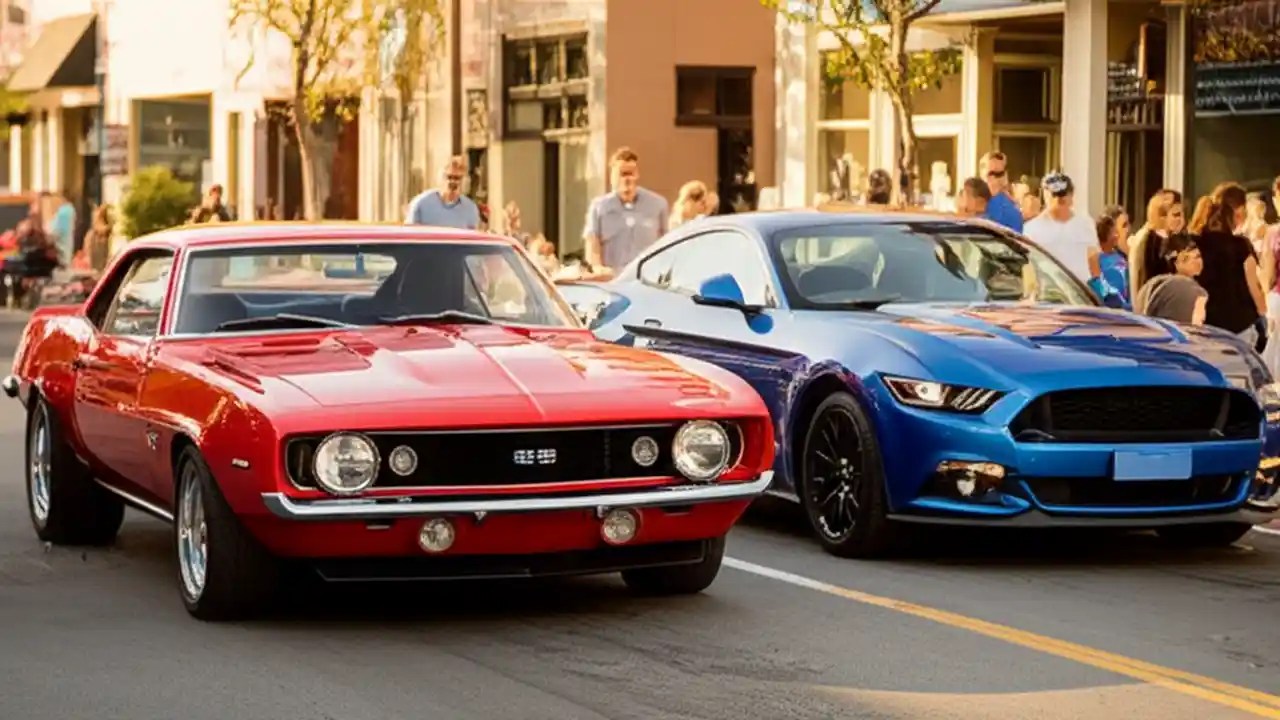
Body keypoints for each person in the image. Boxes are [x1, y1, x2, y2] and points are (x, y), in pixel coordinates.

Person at [1188, 181, 1267, 346]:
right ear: (1238, 211)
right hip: (1239, 324)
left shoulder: (1193, 242)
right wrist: (1264, 316)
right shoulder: (1240, 245)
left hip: (1204, 323)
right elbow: (1253, 286)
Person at [578, 146, 668, 280]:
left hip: (647, 281)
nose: (627, 179)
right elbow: (592, 246)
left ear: (637, 174)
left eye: (630, 173)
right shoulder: (599, 207)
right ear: (612, 176)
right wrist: (598, 272)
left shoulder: (657, 204)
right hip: (612, 281)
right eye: (622, 174)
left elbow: (665, 242)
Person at [1022, 171, 1096, 283]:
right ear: (1045, 195)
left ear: (1072, 195)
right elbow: (1028, 268)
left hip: (1081, 292)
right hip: (1049, 292)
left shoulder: (1086, 223)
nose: (1060, 199)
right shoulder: (1032, 229)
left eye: (1063, 193)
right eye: (1055, 194)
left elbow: (1093, 261)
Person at [1134, 234, 1208, 325]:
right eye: (1186, 258)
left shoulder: (1153, 284)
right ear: (1175, 262)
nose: (1196, 262)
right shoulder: (1186, 291)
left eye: (1198, 256)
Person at [1127, 189, 1184, 302]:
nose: (1181, 220)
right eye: (1176, 215)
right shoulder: (1150, 241)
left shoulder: (1169, 238)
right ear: (1161, 216)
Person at [404, 156, 481, 229]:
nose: (453, 182)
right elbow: (409, 236)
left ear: (465, 181)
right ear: (441, 178)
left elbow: (473, 238)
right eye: (449, 177)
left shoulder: (470, 209)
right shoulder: (421, 203)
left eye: (457, 178)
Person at [1088, 214, 1130, 309]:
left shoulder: (1120, 256)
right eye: (1113, 232)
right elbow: (1106, 294)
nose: (1117, 235)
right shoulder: (1097, 262)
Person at [977, 151, 1024, 233]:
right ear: (982, 174)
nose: (995, 179)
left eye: (999, 174)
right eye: (991, 173)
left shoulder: (1012, 208)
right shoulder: (972, 200)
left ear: (1005, 175)